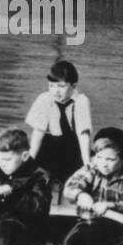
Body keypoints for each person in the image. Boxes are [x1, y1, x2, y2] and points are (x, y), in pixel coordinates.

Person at [25, 60, 92, 191]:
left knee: (76, 178)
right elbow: (38, 133)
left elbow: (83, 134)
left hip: (73, 146)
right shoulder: (44, 99)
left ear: (73, 86)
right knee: (35, 172)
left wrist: (87, 164)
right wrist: (30, 161)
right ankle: (45, 179)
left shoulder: (82, 101)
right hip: (50, 145)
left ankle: (68, 183)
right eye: (51, 86)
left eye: (61, 86)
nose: (55, 91)